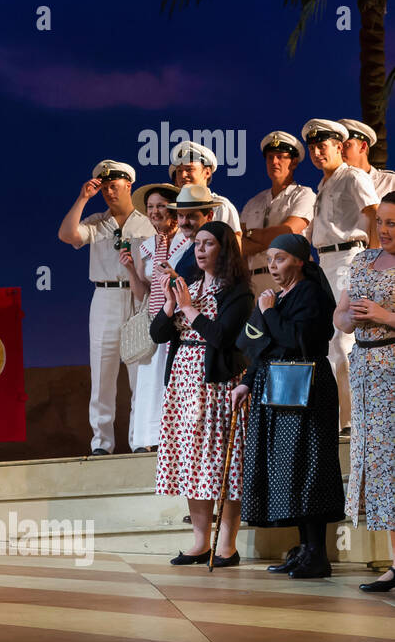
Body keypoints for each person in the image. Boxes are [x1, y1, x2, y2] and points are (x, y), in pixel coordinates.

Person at [232, 234, 344, 578]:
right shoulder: (278, 297)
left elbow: (299, 341)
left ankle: (317, 553)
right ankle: (303, 548)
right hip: (279, 390)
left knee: (309, 469)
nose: (273, 266)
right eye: (271, 259)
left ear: (300, 261)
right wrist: (247, 382)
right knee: (290, 471)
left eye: (280, 259)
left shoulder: (310, 295)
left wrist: (268, 312)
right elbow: (261, 347)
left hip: (306, 390)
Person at [150, 221, 253, 567]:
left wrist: (189, 308)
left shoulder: (237, 292)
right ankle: (199, 542)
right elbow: (158, 334)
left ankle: (227, 545)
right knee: (193, 463)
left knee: (220, 462)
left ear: (224, 250)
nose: (200, 249)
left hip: (216, 384)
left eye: (209, 244)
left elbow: (223, 337)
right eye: (198, 244)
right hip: (183, 381)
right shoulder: (188, 285)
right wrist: (170, 303)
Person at [57, 160, 156, 455]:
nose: (109, 192)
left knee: (141, 372)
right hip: (105, 296)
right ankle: (101, 443)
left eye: (115, 186)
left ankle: (141, 440)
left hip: (140, 297)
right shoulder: (97, 221)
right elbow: (67, 235)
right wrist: (83, 198)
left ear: (129, 185)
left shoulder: (148, 221)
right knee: (102, 373)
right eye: (105, 187)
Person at [304, 118, 380, 434]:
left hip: (350, 256)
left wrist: (371, 265)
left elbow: (373, 215)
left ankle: (352, 420)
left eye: (324, 146)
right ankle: (338, 418)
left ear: (339, 146)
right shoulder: (324, 184)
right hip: (325, 261)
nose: (318, 153)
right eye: (313, 148)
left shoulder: (352, 177)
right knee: (330, 340)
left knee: (346, 338)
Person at [336, 191, 395, 592]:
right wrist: (349, 319)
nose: (385, 230)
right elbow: (340, 315)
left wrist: (383, 315)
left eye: (393, 223)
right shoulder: (362, 260)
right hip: (366, 371)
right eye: (382, 222)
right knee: (380, 470)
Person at [119, 183, 180, 452]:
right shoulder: (147, 246)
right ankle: (151, 440)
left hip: (180, 323)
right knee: (150, 382)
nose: (155, 212)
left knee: (173, 381)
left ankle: (175, 438)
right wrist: (131, 270)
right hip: (155, 323)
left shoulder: (187, 241)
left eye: (161, 206)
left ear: (173, 209)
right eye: (151, 207)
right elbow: (143, 291)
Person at [240, 132, 315, 296]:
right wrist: (270, 239)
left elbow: (286, 232)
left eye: (281, 157)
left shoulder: (304, 194)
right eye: (270, 157)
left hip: (290, 280)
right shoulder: (254, 202)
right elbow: (239, 245)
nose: (274, 162)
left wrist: (250, 234)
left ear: (294, 162)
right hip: (255, 283)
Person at [169, 140, 242, 233]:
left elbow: (233, 245)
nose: (183, 175)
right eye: (179, 170)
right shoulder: (170, 207)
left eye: (189, 169)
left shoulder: (221, 207)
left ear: (207, 172)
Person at [167, 184, 220, 280]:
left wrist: (175, 279)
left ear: (209, 216)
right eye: (180, 216)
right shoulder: (189, 245)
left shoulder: (215, 248)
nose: (184, 222)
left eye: (191, 216)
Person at [338, 118, 395, 197]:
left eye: (346, 145)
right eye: (338, 147)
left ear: (363, 147)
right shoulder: (334, 186)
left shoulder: (390, 183)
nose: (340, 151)